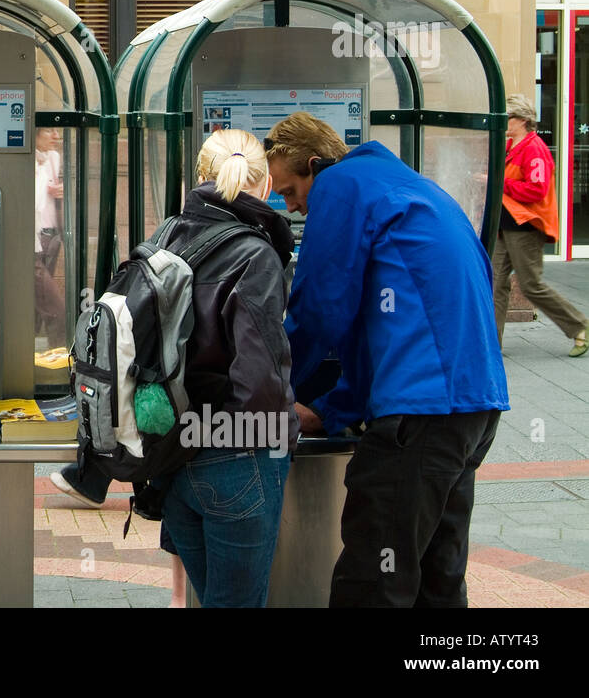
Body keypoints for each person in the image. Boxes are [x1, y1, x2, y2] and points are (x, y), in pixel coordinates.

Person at [265, 112, 509, 607]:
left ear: (317, 166)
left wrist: (271, 385)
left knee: (372, 583)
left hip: (420, 415)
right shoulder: (410, 188)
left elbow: (320, 308)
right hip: (471, 408)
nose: (291, 207)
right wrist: (332, 410)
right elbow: (377, 333)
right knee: (435, 582)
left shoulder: (341, 185)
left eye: (290, 192)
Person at [53, 128, 298, 607]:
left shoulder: (164, 237)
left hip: (174, 458)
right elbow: (260, 383)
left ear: (201, 176)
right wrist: (285, 431)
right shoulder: (256, 255)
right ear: (266, 184)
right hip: (236, 459)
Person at [492, 94, 587, 355]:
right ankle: (491, 345)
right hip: (508, 223)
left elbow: (536, 189)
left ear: (522, 120)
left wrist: (499, 180)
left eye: (507, 116)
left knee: (531, 285)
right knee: (495, 283)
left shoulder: (534, 149)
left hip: (526, 226)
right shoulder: (513, 145)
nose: (504, 121)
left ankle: (580, 326)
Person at [34, 127, 67, 347]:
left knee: (34, 306)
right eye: (49, 130)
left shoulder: (54, 158)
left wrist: (63, 191)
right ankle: (61, 363)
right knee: (56, 308)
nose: (56, 136)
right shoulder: (26, 161)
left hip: (51, 239)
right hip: (30, 243)